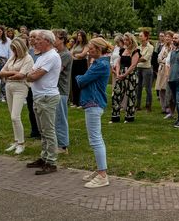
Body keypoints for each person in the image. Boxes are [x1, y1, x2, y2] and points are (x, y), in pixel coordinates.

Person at [23, 30, 62, 175]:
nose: (35, 41)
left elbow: (34, 76)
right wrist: (30, 74)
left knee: (48, 130)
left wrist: (30, 75)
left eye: (38, 39)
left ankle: (51, 162)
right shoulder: (42, 56)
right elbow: (32, 73)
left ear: (47, 41)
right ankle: (44, 157)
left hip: (47, 97)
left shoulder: (52, 56)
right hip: (39, 96)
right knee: (42, 131)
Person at [77, 37, 113, 188]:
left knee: (95, 139)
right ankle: (100, 169)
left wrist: (79, 77)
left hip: (94, 102)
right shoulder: (98, 63)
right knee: (95, 138)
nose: (88, 50)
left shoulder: (100, 65)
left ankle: (102, 175)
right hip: (92, 102)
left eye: (90, 48)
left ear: (98, 49)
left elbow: (82, 80)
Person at [0, 38, 34, 155]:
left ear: (20, 47)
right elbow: (1, 72)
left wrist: (10, 74)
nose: (14, 51)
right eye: (12, 49)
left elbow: (21, 75)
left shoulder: (28, 58)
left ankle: (21, 143)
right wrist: (13, 74)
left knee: (15, 116)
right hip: (9, 86)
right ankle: (16, 141)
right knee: (11, 115)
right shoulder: (13, 57)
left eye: (15, 48)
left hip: (20, 87)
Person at [110, 33, 141, 123]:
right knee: (116, 94)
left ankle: (129, 117)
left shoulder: (136, 51)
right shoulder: (122, 50)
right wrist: (119, 72)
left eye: (127, 40)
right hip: (121, 74)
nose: (125, 41)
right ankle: (115, 116)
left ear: (131, 40)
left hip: (131, 75)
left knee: (131, 96)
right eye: (124, 40)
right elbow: (118, 62)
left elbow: (133, 65)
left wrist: (125, 74)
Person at [53, 30, 73, 154]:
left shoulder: (65, 54)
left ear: (61, 39)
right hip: (55, 90)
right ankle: (57, 142)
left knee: (61, 118)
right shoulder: (57, 53)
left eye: (54, 38)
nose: (52, 40)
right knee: (55, 118)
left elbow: (56, 71)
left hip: (61, 90)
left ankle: (63, 145)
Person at [135, 30, 154, 112]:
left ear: (146, 37)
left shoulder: (150, 47)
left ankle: (148, 106)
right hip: (138, 68)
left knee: (147, 88)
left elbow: (145, 59)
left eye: (141, 36)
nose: (139, 37)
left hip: (147, 69)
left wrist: (135, 60)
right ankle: (137, 105)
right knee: (138, 88)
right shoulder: (138, 47)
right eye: (139, 36)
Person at [155, 32, 173, 115]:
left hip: (168, 68)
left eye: (169, 37)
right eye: (166, 37)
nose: (167, 38)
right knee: (161, 89)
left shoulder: (172, 47)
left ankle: (168, 106)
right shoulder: (164, 47)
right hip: (161, 68)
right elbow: (159, 56)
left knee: (166, 88)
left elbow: (170, 58)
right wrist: (161, 60)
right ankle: (163, 107)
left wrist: (163, 60)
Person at [70, 31, 89, 107]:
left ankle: (81, 102)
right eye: (78, 36)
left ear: (83, 37)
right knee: (74, 82)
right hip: (75, 64)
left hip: (82, 64)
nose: (78, 37)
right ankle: (75, 102)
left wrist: (76, 55)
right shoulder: (76, 45)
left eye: (80, 36)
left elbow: (83, 54)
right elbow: (71, 53)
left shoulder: (86, 45)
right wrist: (75, 56)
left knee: (81, 82)